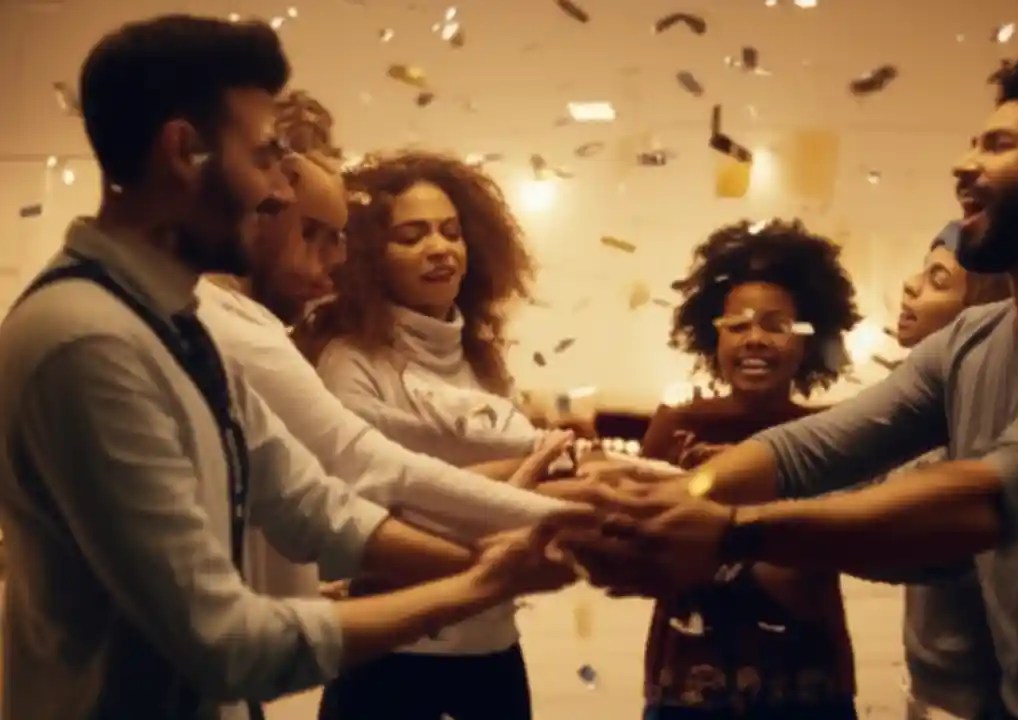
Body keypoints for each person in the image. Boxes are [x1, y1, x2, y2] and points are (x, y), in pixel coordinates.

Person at [558, 53, 1018, 719]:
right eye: (972, 145)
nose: (964, 165)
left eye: (998, 146)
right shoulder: (969, 344)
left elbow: (993, 497)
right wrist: (682, 494)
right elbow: (815, 446)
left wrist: (732, 532)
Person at [0, 16, 585, 720]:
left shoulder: (176, 326)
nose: (278, 192)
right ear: (186, 153)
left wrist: (525, 547)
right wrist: (479, 585)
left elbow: (322, 498)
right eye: (266, 157)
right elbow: (225, 642)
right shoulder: (89, 343)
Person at [196, 91, 575, 599]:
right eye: (314, 234)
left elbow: (311, 506)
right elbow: (366, 474)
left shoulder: (243, 326)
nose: (333, 262)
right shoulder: (259, 338)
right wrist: (560, 510)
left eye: (451, 232)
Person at [294, 151, 552, 720]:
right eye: (411, 236)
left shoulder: (483, 362)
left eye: (451, 232)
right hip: (389, 654)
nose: (440, 248)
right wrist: (533, 465)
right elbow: (371, 510)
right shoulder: (350, 362)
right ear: (368, 258)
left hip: (493, 649)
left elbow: (469, 502)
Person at [637, 219, 860, 720]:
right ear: (711, 340)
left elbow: (828, 560)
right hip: (689, 686)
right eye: (737, 326)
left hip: (808, 685)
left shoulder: (833, 433)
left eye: (775, 325)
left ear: (806, 342)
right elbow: (645, 556)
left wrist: (725, 494)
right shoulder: (678, 425)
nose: (754, 339)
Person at [896, 222, 1009, 720]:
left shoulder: (985, 426)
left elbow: (904, 536)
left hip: (979, 702)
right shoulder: (926, 410)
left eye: (939, 281)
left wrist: (746, 529)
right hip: (935, 690)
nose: (910, 286)